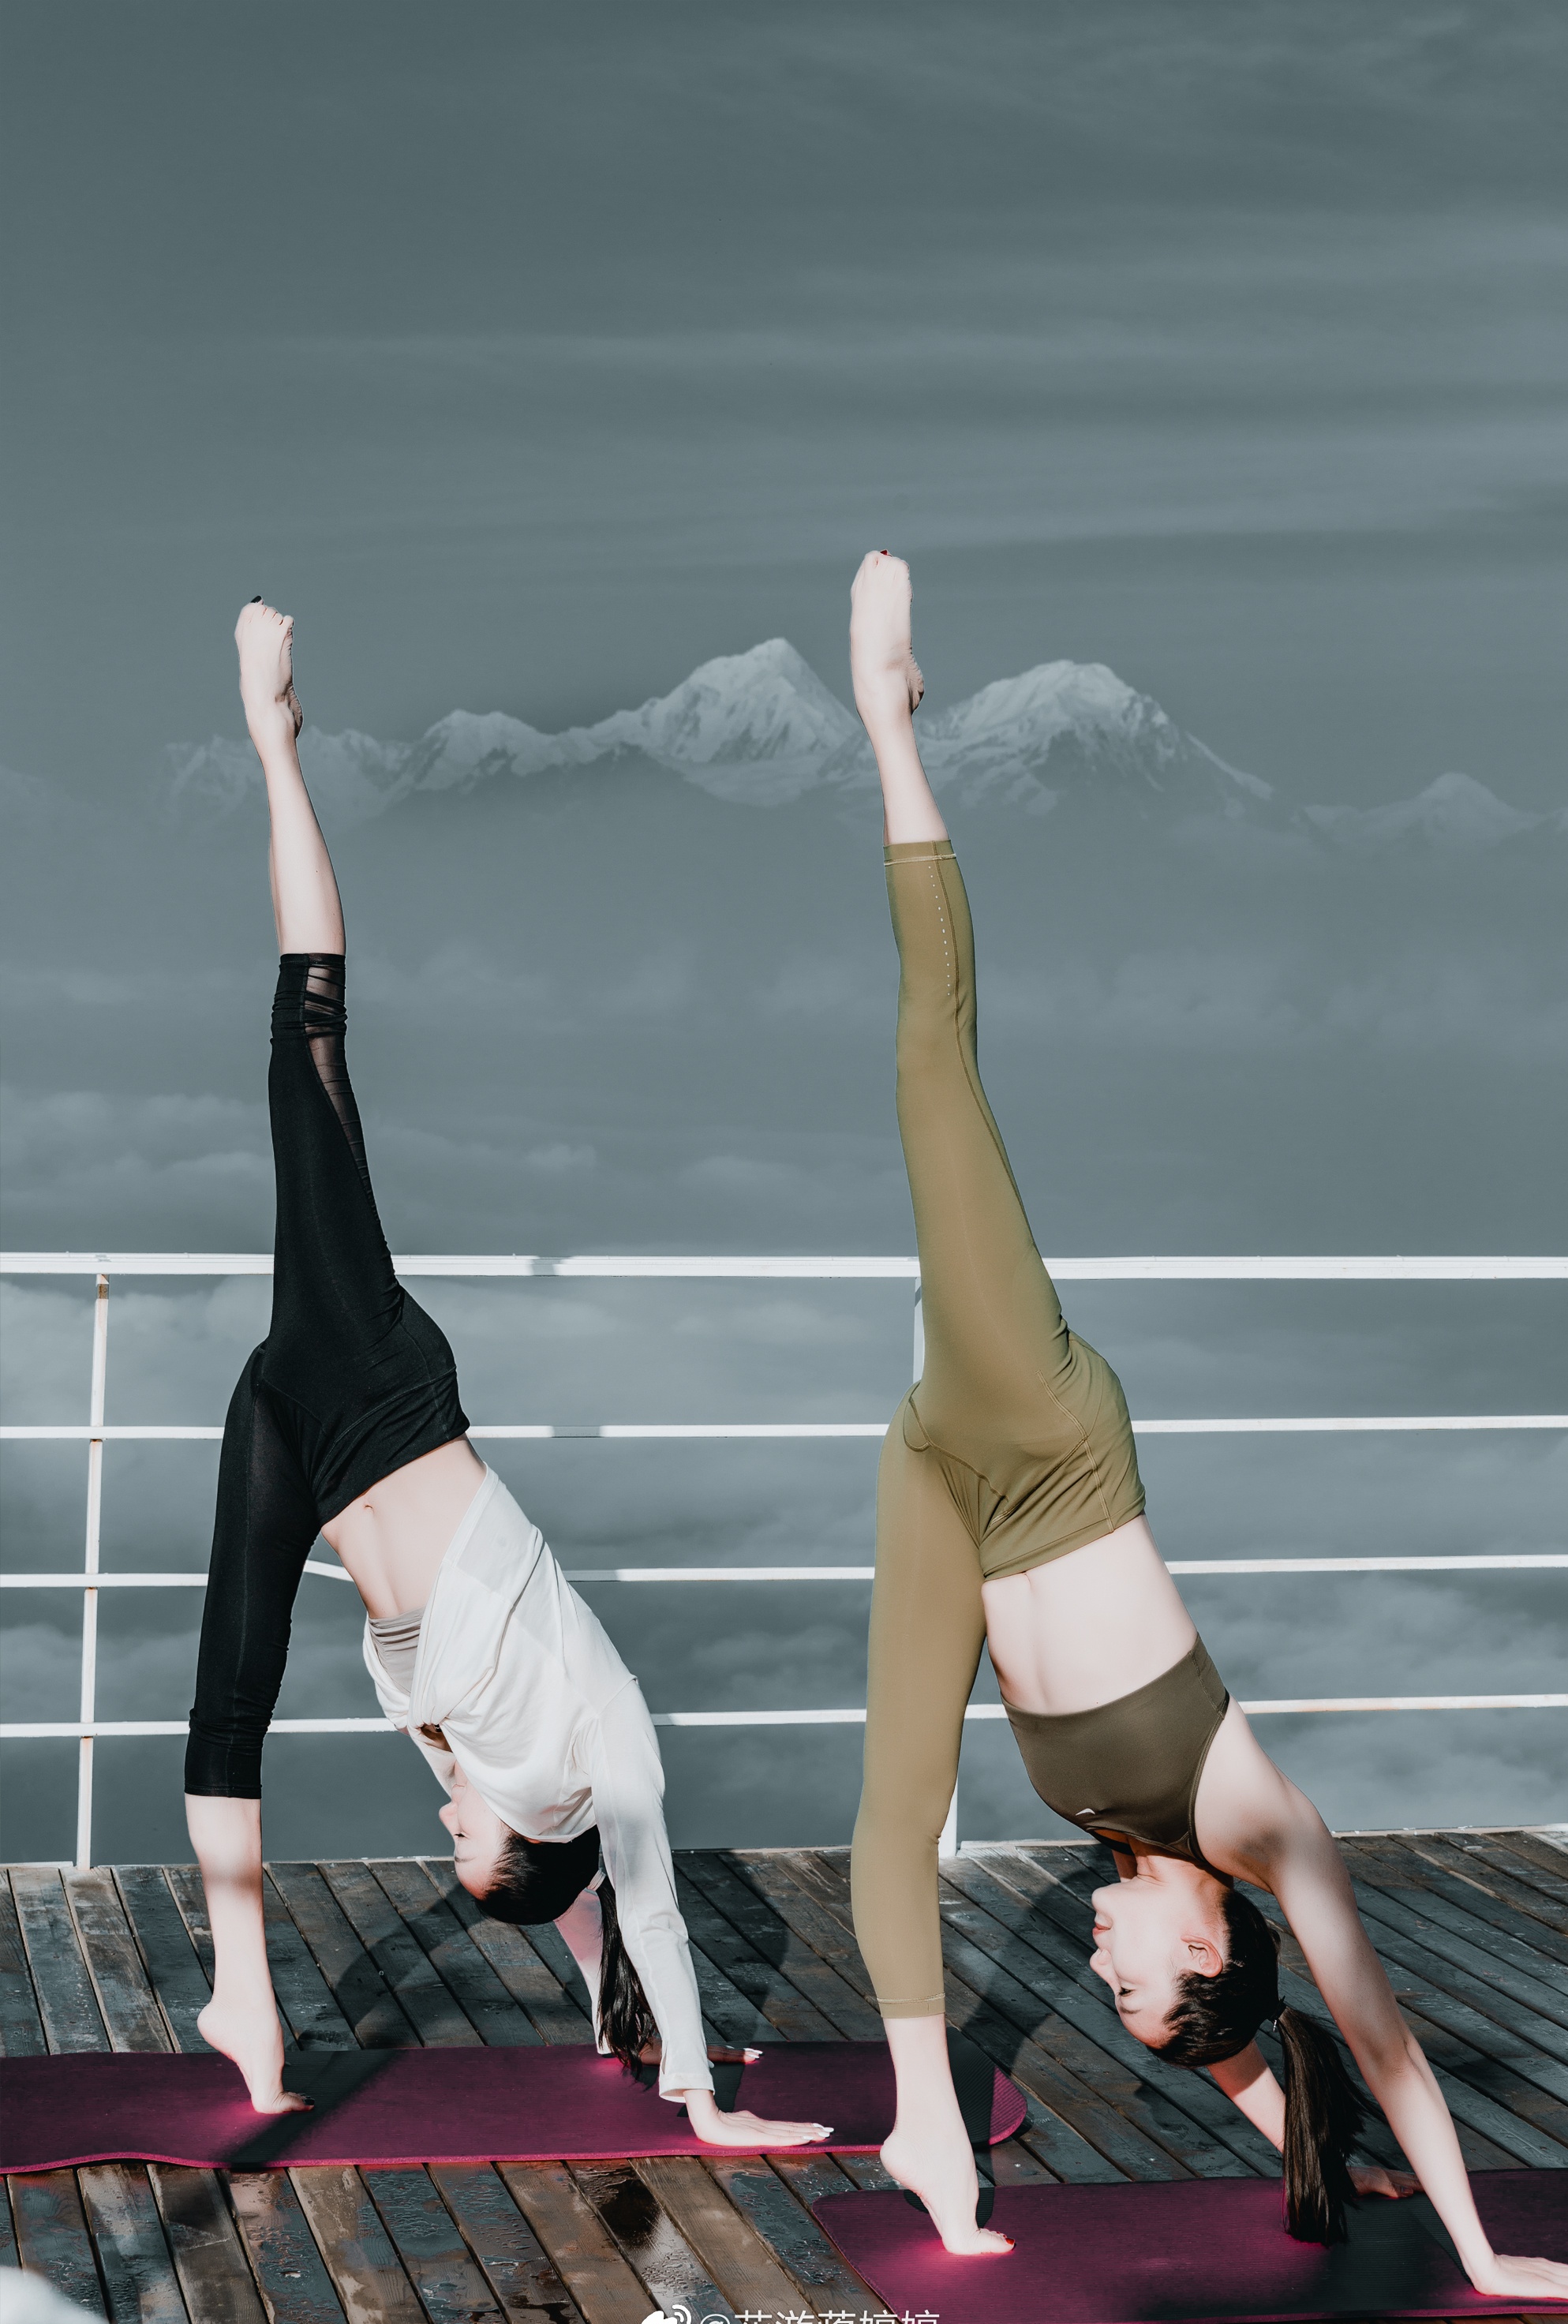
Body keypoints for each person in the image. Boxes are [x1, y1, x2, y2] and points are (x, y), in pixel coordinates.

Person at [842, 551, 1568, 2300]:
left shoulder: (1153, 1880)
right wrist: (1485, 2255)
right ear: (1213, 1930)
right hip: (1044, 1434)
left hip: (945, 1478)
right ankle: (887, 717)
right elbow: (1374, 2034)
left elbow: (1264, 2060)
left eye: (1101, 1994)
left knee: (885, 1813)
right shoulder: (1257, 1825)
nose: (1099, 1965)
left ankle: (922, 2117)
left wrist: (1309, 2153)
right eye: (1133, 1977)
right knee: (931, 1064)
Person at [184, 599, 830, 2151]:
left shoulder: (504, 1782)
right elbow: (646, 1889)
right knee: (307, 1045)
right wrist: (696, 2097)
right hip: (377, 1388)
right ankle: (278, 737)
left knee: (229, 1700)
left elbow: (579, 1887)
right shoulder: (595, 1733)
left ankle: (238, 1996)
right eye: (463, 1844)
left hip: (295, 1435)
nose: (443, 1823)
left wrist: (595, 1976)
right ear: (527, 1831)